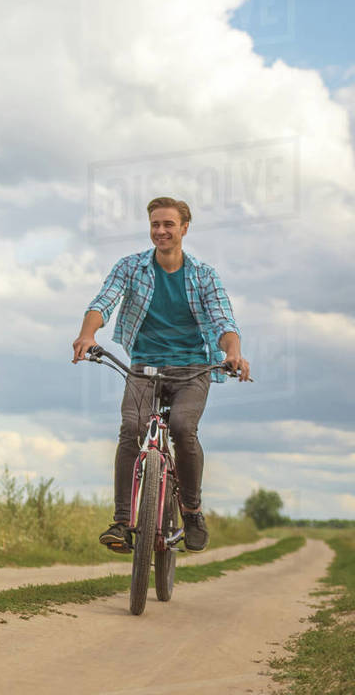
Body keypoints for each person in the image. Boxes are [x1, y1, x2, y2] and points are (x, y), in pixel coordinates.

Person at [71, 196, 250, 553]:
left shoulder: (203, 275)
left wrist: (233, 353)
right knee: (132, 429)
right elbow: (104, 301)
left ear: (184, 228)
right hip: (144, 366)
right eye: (155, 224)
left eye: (169, 224)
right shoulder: (131, 267)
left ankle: (192, 511)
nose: (161, 231)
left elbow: (222, 321)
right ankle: (122, 522)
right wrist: (87, 334)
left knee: (184, 428)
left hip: (191, 368)